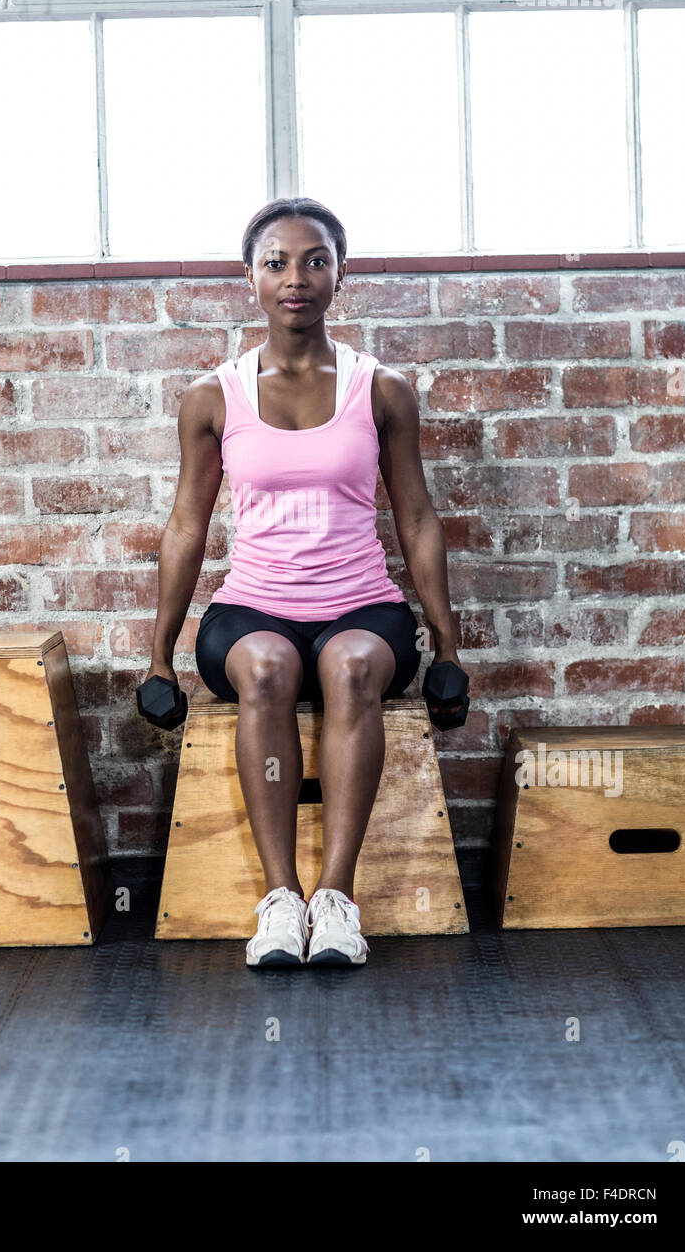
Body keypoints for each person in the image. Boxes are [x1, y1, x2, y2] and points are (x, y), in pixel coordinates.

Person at [142, 196, 466, 968]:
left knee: (351, 666)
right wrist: (158, 654)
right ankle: (281, 902)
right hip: (252, 609)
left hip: (362, 606)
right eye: (277, 262)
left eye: (315, 260)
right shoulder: (212, 397)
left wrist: (449, 642)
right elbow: (187, 526)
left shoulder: (380, 389)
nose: (297, 278)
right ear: (250, 277)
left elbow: (417, 518)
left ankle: (337, 901)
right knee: (268, 668)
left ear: (340, 275)